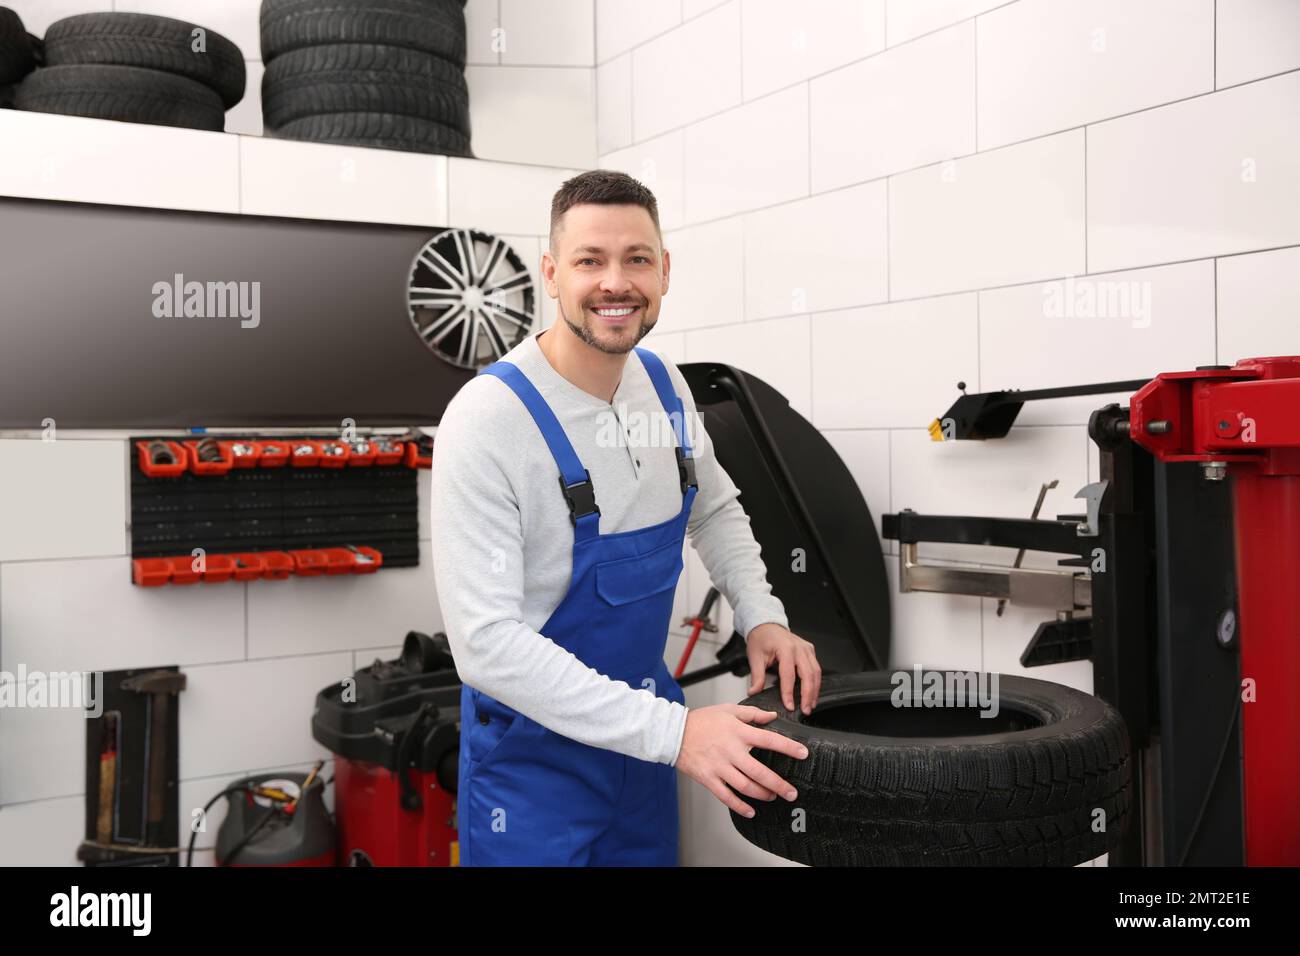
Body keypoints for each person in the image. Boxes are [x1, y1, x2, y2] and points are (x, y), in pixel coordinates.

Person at [431, 169, 822, 866]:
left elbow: (715, 509)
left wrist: (761, 614)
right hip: (533, 772)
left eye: (636, 259)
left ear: (664, 271)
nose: (616, 283)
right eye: (590, 261)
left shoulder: (665, 387)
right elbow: (485, 643)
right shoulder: (487, 420)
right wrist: (676, 736)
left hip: (641, 754)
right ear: (552, 274)